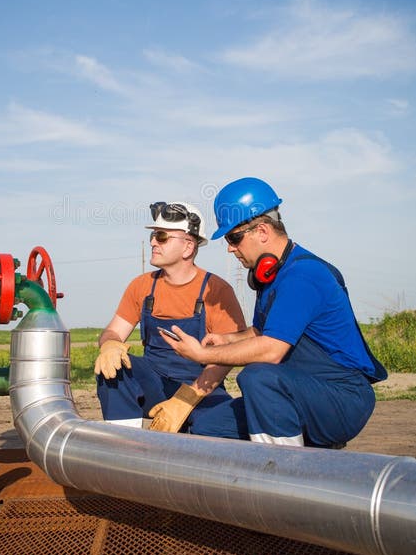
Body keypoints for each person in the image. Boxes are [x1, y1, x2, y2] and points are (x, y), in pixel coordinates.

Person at [159, 178, 387, 448]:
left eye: (234, 237)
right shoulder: (271, 274)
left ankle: (283, 475)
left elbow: (271, 349)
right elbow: (263, 331)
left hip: (340, 396)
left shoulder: (302, 276)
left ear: (263, 231)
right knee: (209, 427)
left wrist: (202, 354)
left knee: (258, 377)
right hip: (300, 388)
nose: (230, 248)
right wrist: (230, 339)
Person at [94, 201, 249, 438]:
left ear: (188, 247)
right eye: (154, 236)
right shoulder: (142, 286)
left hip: (201, 384)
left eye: (162, 236)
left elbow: (226, 357)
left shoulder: (216, 290)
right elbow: (114, 331)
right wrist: (109, 345)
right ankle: (125, 451)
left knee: (214, 428)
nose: (154, 242)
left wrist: (185, 401)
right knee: (114, 370)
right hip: (153, 380)